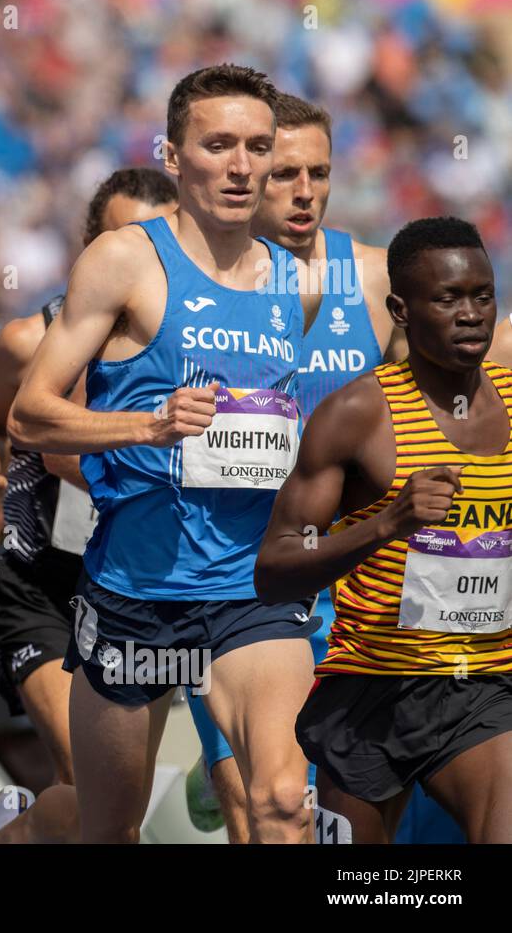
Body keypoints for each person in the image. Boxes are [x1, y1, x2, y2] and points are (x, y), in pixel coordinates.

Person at [10, 64, 314, 843]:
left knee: (280, 802)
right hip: (135, 592)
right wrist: (150, 427)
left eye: (257, 147)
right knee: (111, 831)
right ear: (174, 156)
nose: (241, 165)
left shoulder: (295, 281)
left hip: (251, 592)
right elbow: (32, 416)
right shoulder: (124, 260)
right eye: (218, 145)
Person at [185, 92, 406, 842]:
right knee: (262, 809)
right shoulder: (204, 286)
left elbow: (421, 424)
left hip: (356, 589)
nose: (304, 190)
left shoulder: (377, 280)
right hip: (237, 579)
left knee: (336, 816)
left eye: (320, 172)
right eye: (284, 174)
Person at [255, 216, 512, 844]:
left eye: (482, 294)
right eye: (447, 299)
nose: (471, 313)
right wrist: (388, 523)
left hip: (482, 684)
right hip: (371, 687)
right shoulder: (356, 414)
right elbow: (275, 568)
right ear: (401, 307)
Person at [0, 168, 177, 843]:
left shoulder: (188, 351)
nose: (135, 259)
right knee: (89, 787)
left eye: (157, 241)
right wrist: (5, 498)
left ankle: (13, 835)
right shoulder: (26, 342)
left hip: (140, 591)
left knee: (118, 812)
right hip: (44, 593)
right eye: (122, 238)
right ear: (90, 243)